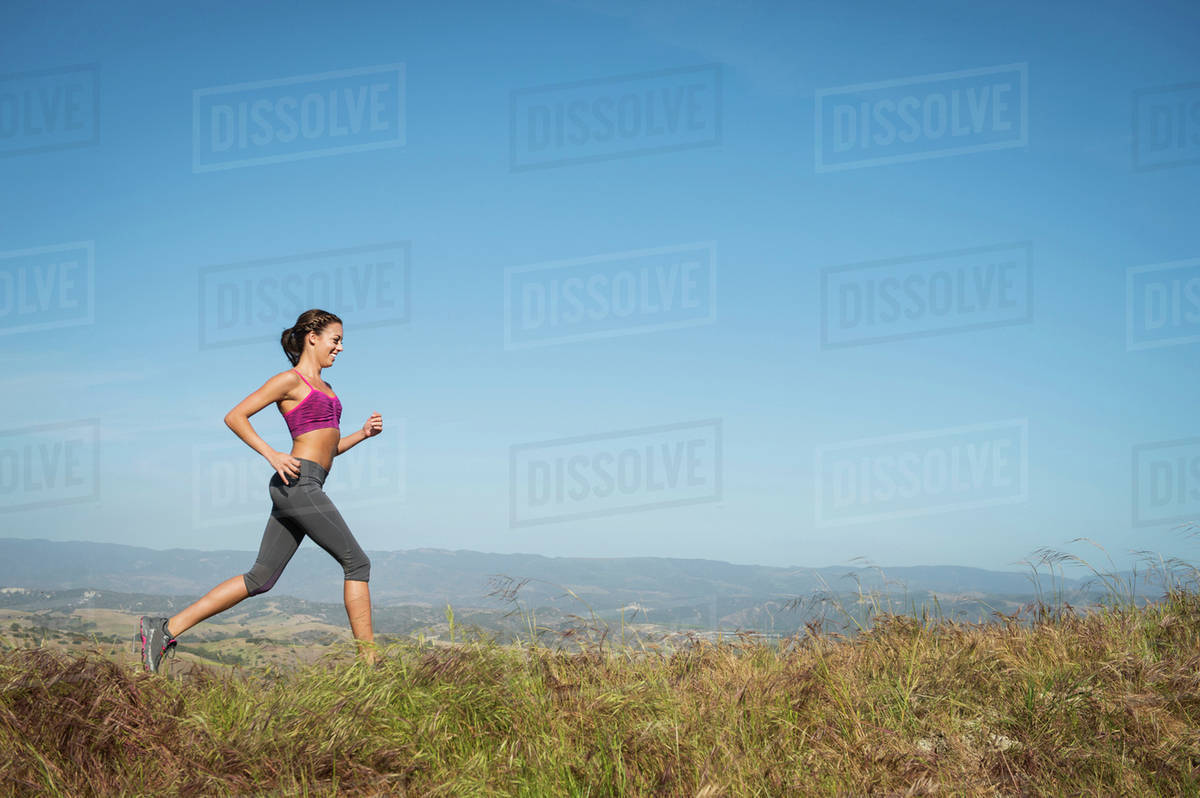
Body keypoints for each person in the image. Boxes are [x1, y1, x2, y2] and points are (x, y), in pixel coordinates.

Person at [139, 308, 385, 672]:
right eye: (336, 339)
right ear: (312, 337)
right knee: (357, 563)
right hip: (297, 483)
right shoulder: (290, 380)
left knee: (260, 578)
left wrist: (362, 435)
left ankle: (163, 629)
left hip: (306, 482)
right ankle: (371, 666)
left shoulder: (329, 390)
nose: (341, 348)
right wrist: (272, 454)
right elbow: (235, 416)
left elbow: (327, 448)